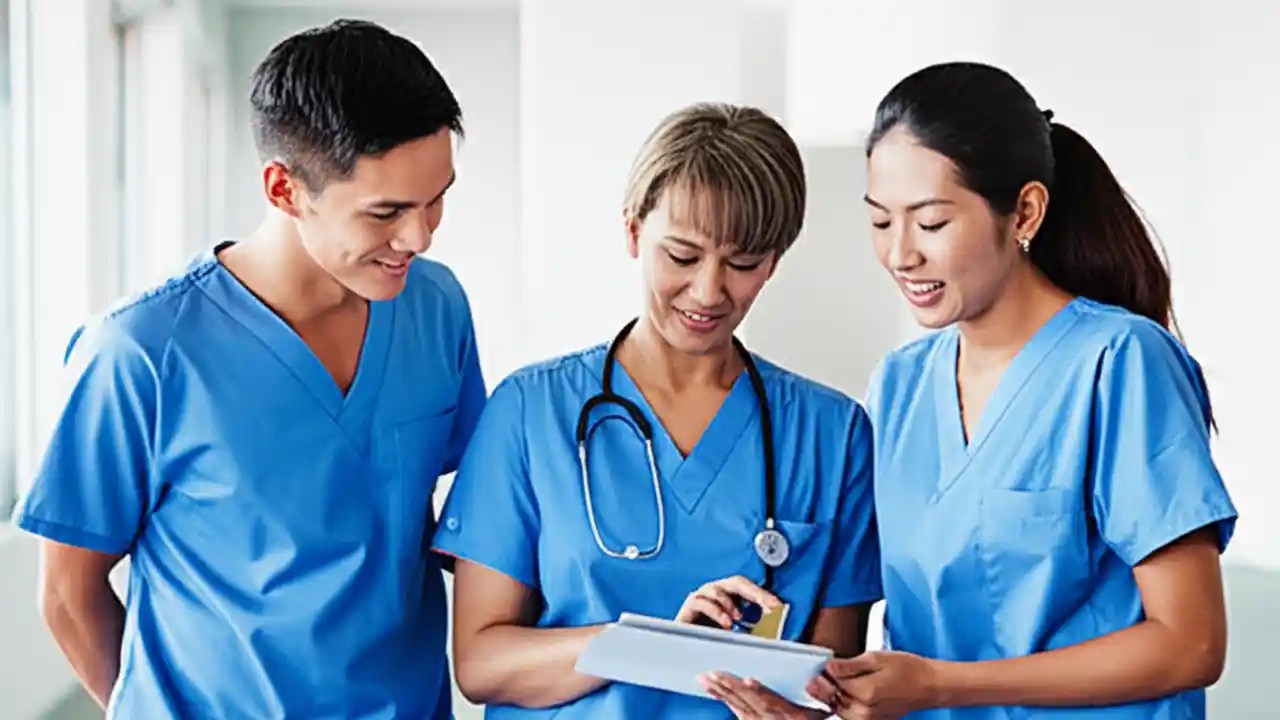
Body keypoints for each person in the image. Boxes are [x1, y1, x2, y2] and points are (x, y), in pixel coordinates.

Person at [713, 60, 1238, 719]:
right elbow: (888, 640)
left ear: (1024, 212)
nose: (901, 254)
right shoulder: (900, 387)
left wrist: (943, 685)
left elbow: (1190, 644)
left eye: (931, 223)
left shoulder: (1119, 363)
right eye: (881, 222)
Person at [11, 19, 485, 719]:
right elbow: (66, 594)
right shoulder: (140, 352)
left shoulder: (437, 306)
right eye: (385, 212)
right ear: (284, 189)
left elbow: (469, 524)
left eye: (436, 198)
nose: (418, 237)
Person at [430, 102, 881, 719]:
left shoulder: (832, 434)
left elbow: (827, 685)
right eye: (682, 256)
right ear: (634, 231)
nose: (709, 291)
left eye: (743, 264)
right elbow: (482, 664)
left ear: (773, 262)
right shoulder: (531, 412)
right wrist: (653, 647)